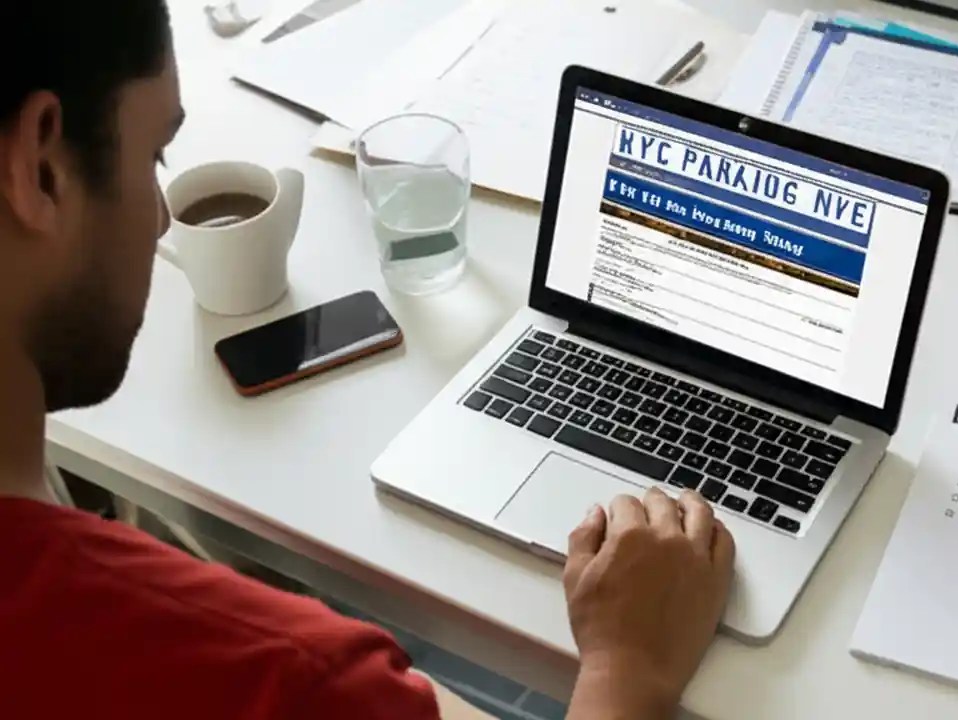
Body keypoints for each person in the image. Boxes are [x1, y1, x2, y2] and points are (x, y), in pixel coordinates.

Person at [0, 2, 736, 718]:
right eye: (154, 153)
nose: (161, 217)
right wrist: (626, 673)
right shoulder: (286, 674)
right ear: (40, 168)